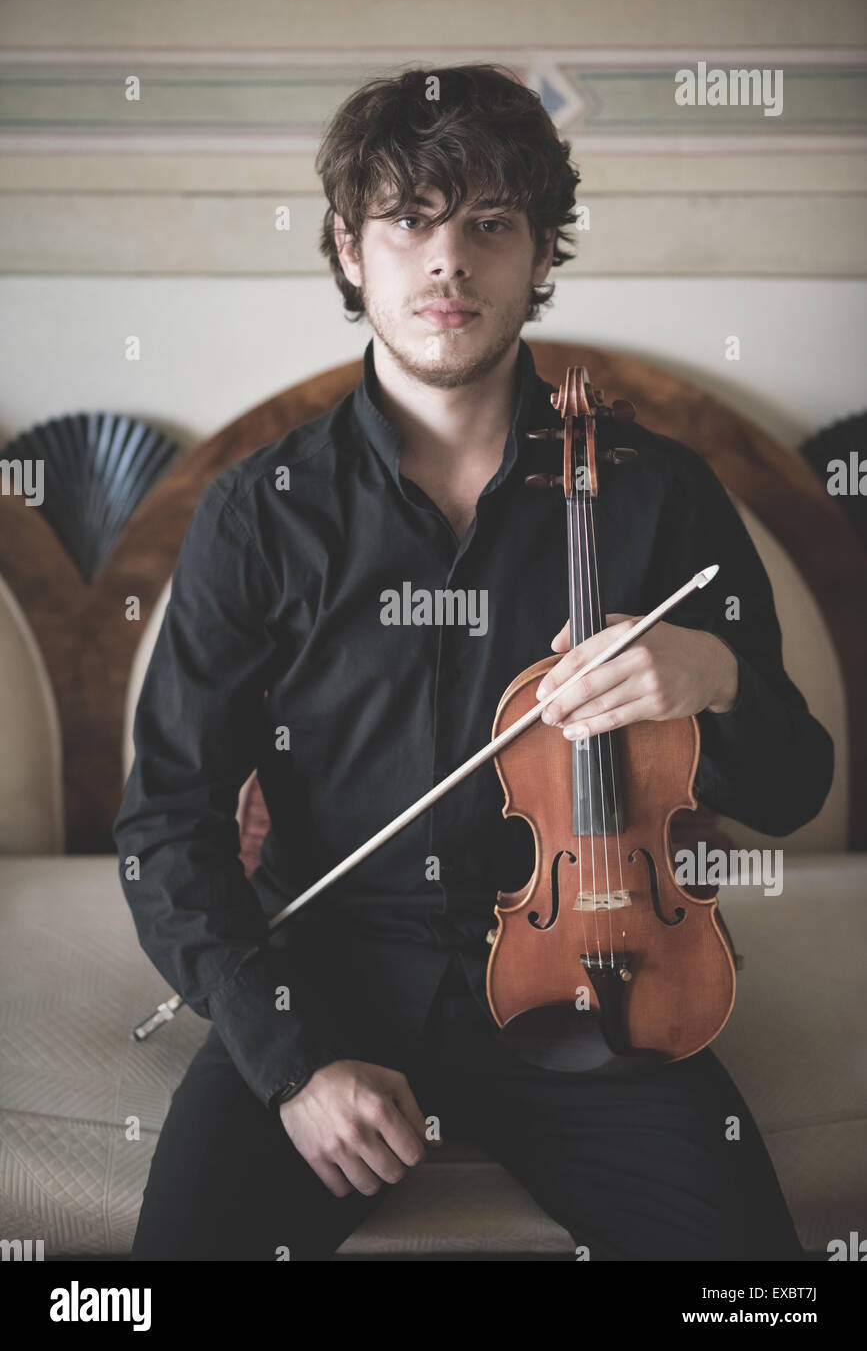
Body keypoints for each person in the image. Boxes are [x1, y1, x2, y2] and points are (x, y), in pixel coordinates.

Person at [114, 64, 833, 1261]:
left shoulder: (660, 496)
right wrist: (290, 1063)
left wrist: (717, 678)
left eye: (490, 224)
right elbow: (166, 827)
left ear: (539, 251)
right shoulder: (259, 513)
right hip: (333, 987)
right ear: (352, 251)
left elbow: (794, 786)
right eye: (410, 221)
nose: (449, 261)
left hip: (607, 983)